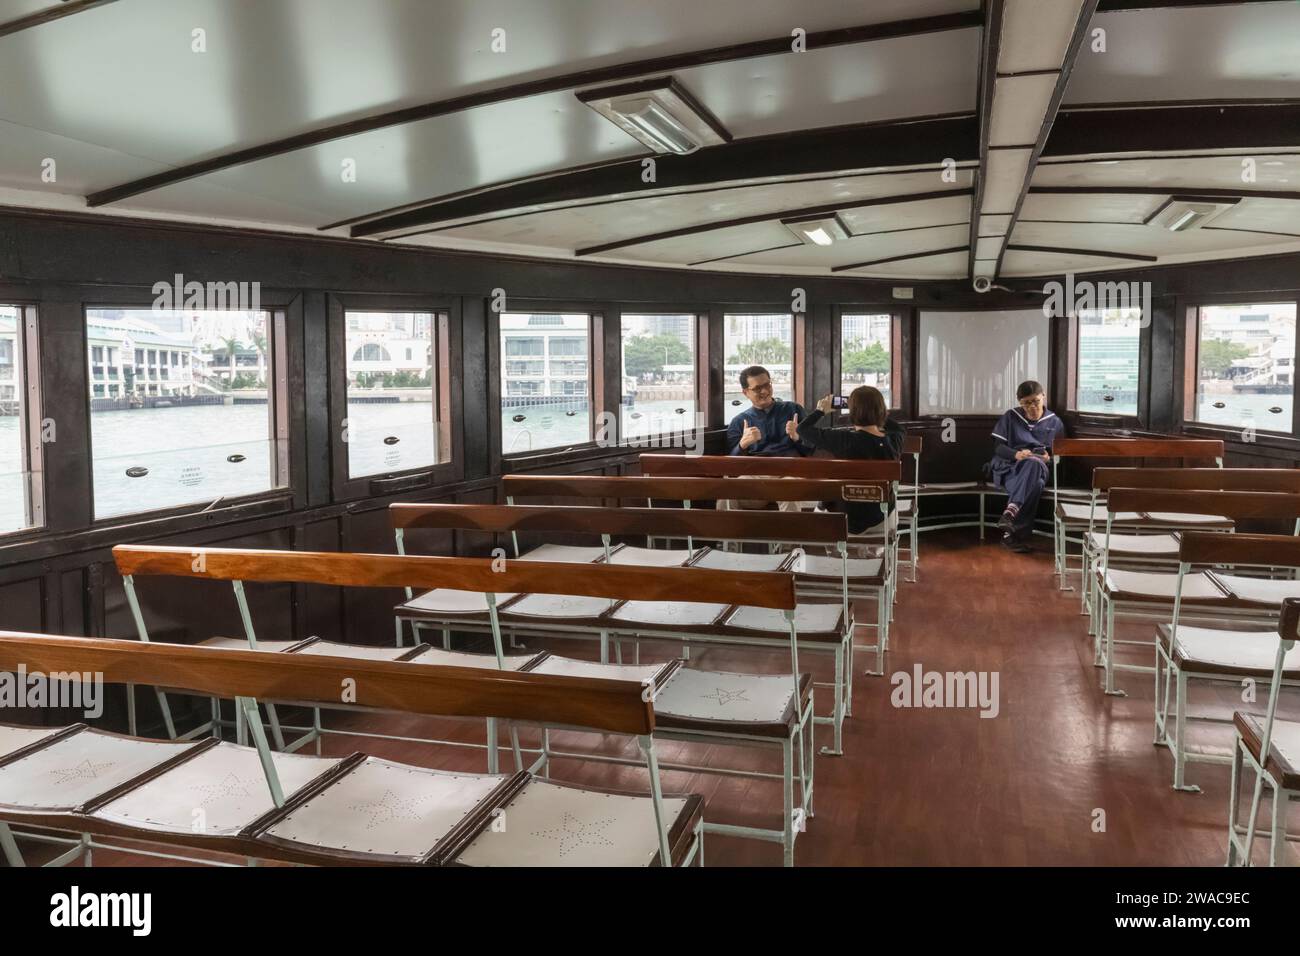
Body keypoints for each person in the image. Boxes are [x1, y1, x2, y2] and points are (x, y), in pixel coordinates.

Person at [795, 385, 903, 533]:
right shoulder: (895, 439)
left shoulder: (843, 439)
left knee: (823, 504)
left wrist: (821, 410)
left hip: (842, 519)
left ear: (852, 412)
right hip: (881, 519)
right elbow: (897, 428)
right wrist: (873, 408)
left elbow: (802, 429)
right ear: (882, 410)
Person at [988, 380, 1065, 552]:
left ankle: (1010, 513)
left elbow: (1060, 456)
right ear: (1020, 402)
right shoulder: (1011, 416)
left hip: (1040, 468)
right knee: (1035, 484)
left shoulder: (1055, 422)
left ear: (1043, 396)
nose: (1032, 407)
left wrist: (1048, 458)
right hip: (1010, 469)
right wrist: (1016, 454)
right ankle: (1012, 537)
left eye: (1036, 401)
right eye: (1026, 403)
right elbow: (998, 448)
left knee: (1034, 463)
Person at [727, 365, 812, 457]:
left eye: (767, 385)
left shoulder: (794, 410)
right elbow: (731, 462)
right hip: (756, 468)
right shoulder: (738, 422)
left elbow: (812, 450)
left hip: (793, 466)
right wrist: (742, 445)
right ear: (745, 393)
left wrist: (797, 438)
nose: (764, 391)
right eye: (757, 388)